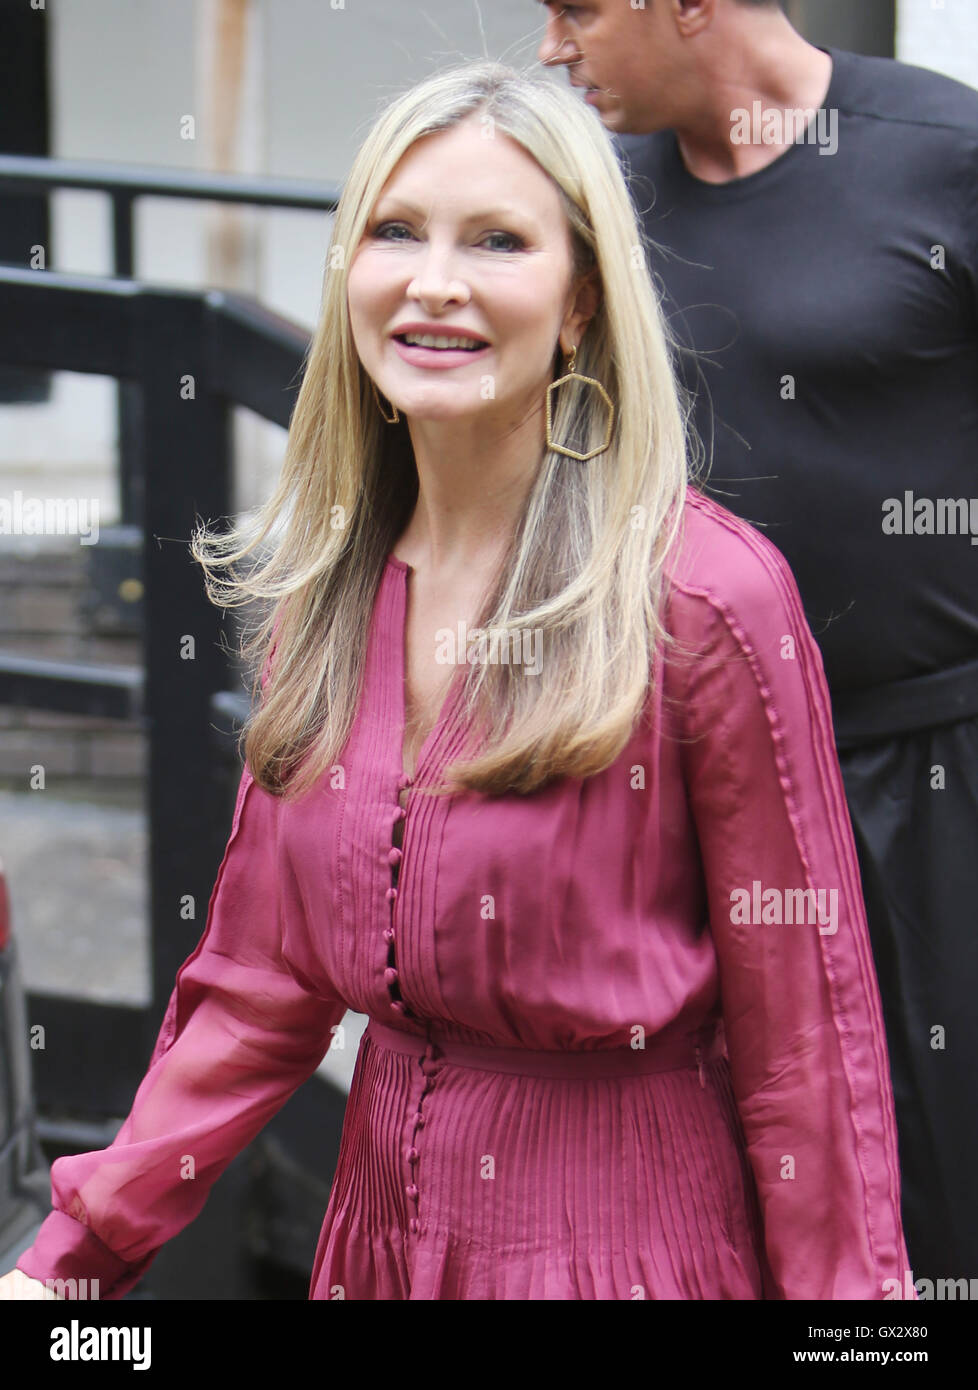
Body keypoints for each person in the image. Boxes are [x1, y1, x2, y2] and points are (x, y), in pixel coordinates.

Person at [3, 60, 909, 1302]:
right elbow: (256, 990)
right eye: (395, 231)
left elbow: (808, 1045)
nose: (435, 283)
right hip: (373, 1247)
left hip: (624, 1260)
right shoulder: (328, 596)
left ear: (581, 300)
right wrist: (72, 1263)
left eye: (497, 240)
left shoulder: (705, 599)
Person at [536, 0, 978, 1287]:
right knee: (721, 1181)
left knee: (944, 1178)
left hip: (935, 777)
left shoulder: (944, 152)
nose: (555, 47)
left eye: (578, 10)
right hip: (684, 784)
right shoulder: (597, 204)